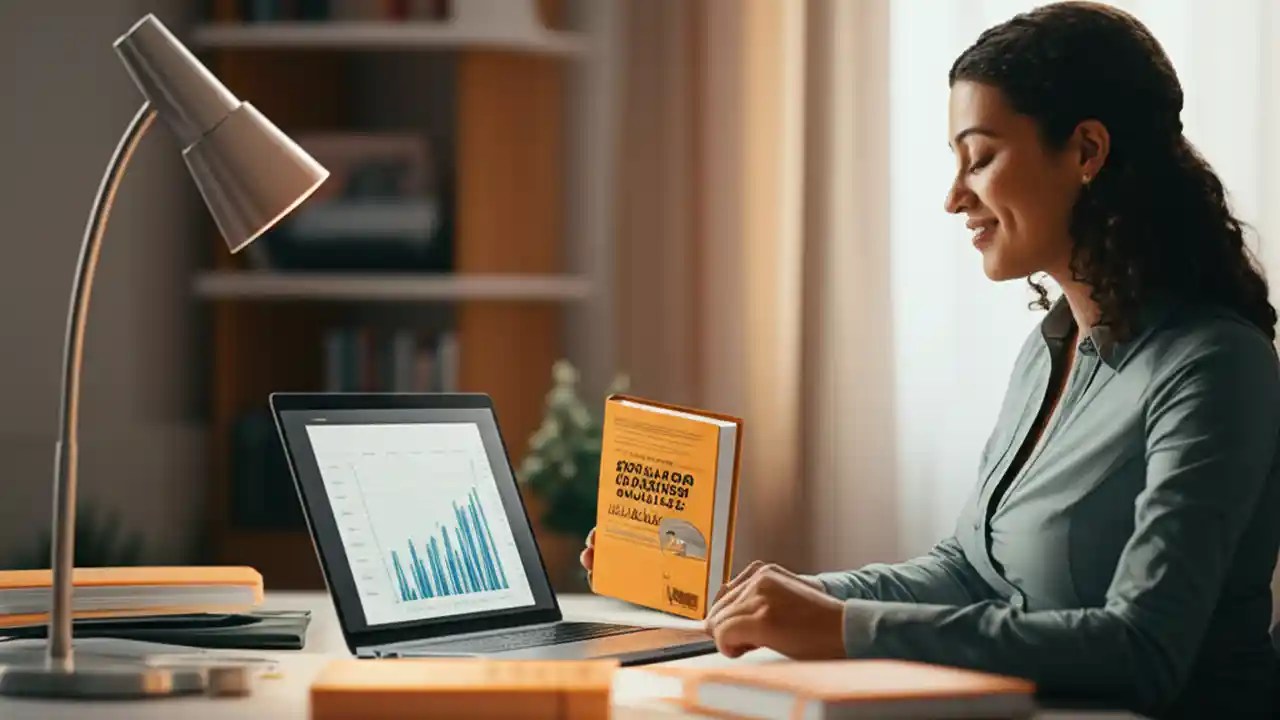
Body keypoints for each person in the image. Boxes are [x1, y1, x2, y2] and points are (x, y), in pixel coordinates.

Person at [582, 2, 1280, 717]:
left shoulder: (1214, 366)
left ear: (1086, 152)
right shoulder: (1051, 350)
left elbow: (1143, 649)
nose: (954, 198)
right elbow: (969, 571)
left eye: (979, 158)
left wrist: (843, 629)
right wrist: (778, 598)